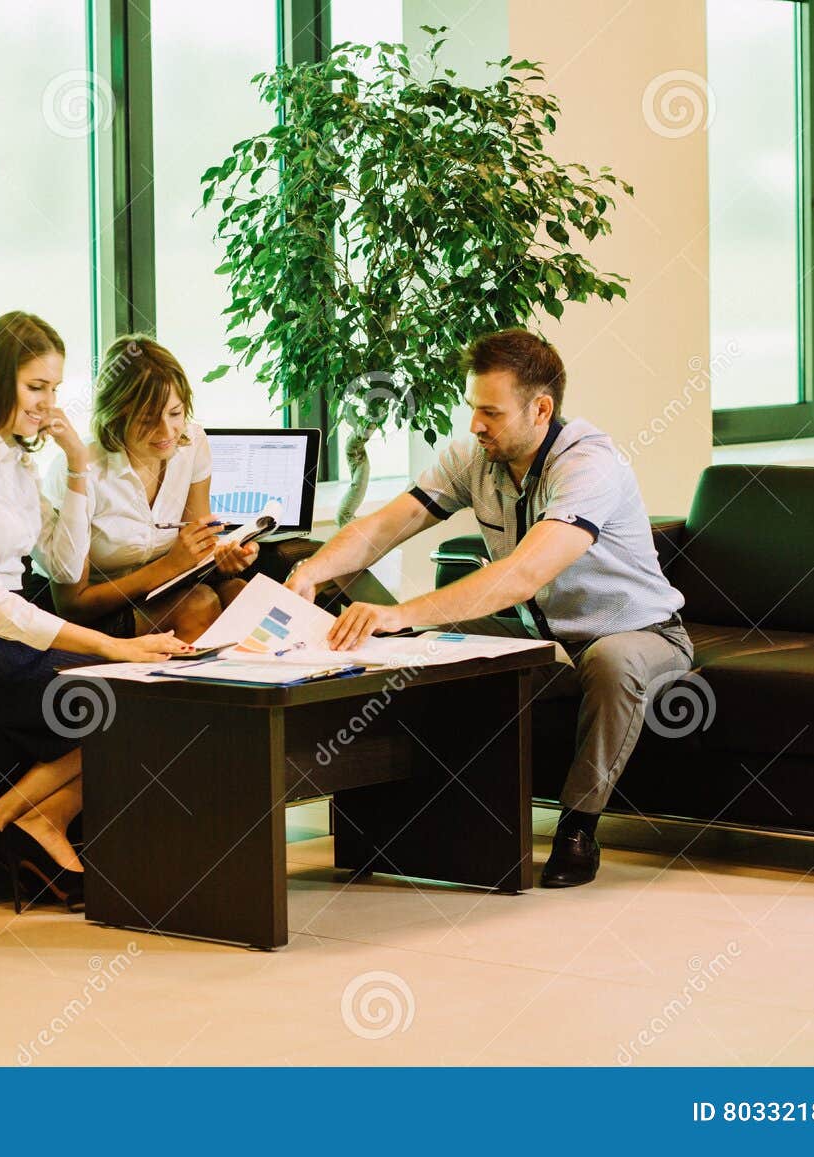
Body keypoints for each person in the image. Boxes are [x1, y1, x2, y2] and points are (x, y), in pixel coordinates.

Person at [285, 329, 692, 888]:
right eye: (473, 408)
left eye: (490, 412)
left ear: (540, 409)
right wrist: (312, 571)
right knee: (399, 643)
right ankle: (403, 819)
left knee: (612, 663)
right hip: (540, 634)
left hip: (640, 633)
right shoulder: (472, 457)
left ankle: (578, 829)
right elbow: (386, 526)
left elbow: (522, 575)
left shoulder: (589, 467)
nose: (476, 424)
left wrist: (401, 611)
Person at [0, 312, 190, 912]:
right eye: (36, 387)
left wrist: (77, 464)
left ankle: (14, 822)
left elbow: (61, 564)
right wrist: (110, 646)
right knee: (115, 696)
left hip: (3, 627)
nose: (47, 403)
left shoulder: (14, 455)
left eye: (54, 389)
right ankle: (24, 828)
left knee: (143, 695)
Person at [45, 335, 257, 642]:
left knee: (242, 595)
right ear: (116, 415)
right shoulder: (83, 470)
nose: (167, 431)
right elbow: (71, 605)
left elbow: (201, 543)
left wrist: (225, 555)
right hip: (93, 611)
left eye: (175, 413)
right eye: (147, 419)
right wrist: (169, 566)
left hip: (164, 587)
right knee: (198, 605)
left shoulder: (192, 442)